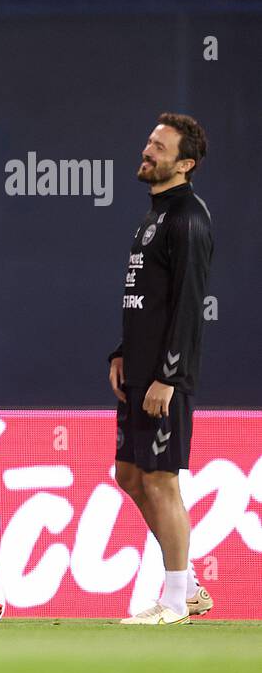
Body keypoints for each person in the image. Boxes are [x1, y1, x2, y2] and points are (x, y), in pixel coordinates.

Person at [110, 113, 215, 625]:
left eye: (160, 147)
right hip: (139, 372)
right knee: (129, 475)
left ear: (185, 164)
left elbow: (189, 305)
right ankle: (188, 583)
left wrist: (167, 377)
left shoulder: (188, 219)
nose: (147, 150)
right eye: (149, 140)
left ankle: (175, 600)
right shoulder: (153, 216)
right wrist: (121, 352)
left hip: (164, 380)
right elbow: (147, 299)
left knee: (160, 480)